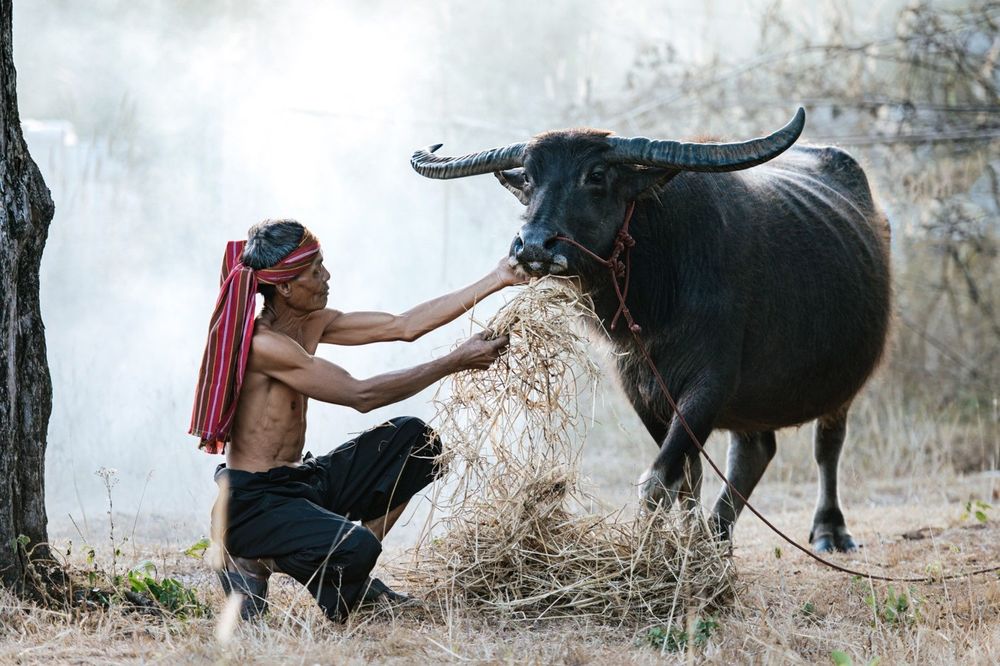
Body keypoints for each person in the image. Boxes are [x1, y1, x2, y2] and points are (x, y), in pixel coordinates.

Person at [189, 218, 525, 622]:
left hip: (298, 485)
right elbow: (360, 395)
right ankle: (252, 556)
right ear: (285, 287)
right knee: (358, 549)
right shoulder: (265, 345)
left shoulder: (312, 321)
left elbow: (404, 326)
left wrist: (500, 277)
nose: (327, 276)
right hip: (252, 503)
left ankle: (344, 572)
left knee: (416, 442)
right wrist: (456, 362)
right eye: (316, 271)